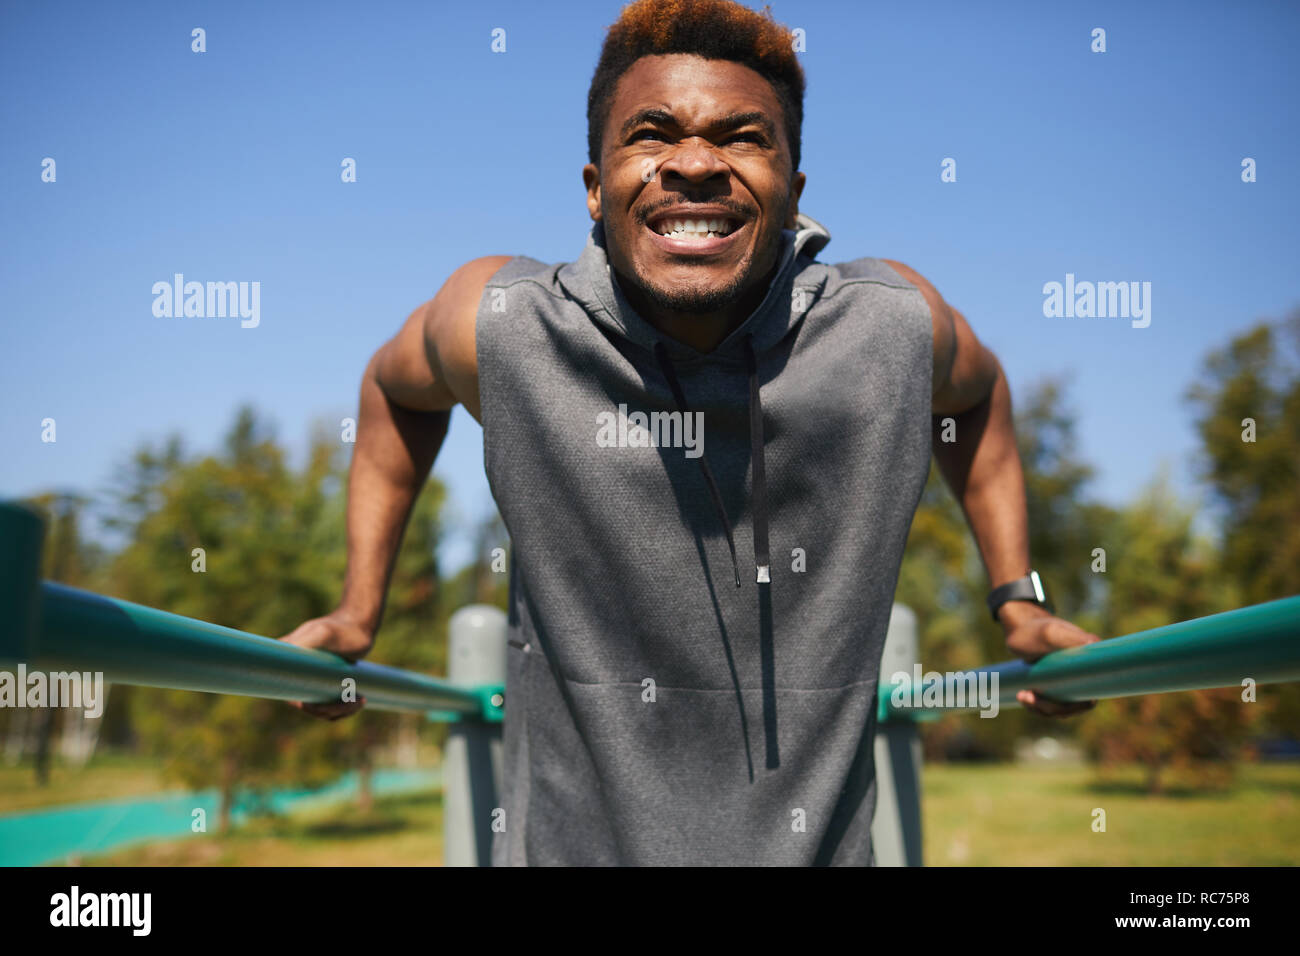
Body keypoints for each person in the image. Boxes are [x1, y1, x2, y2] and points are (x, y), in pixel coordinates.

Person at [281, 0, 1100, 865]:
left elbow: (977, 399)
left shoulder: (891, 328)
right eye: (652, 133)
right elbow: (392, 390)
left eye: (743, 137)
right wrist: (356, 611)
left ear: (794, 193)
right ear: (596, 188)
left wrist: (1020, 600)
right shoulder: (501, 325)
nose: (698, 163)